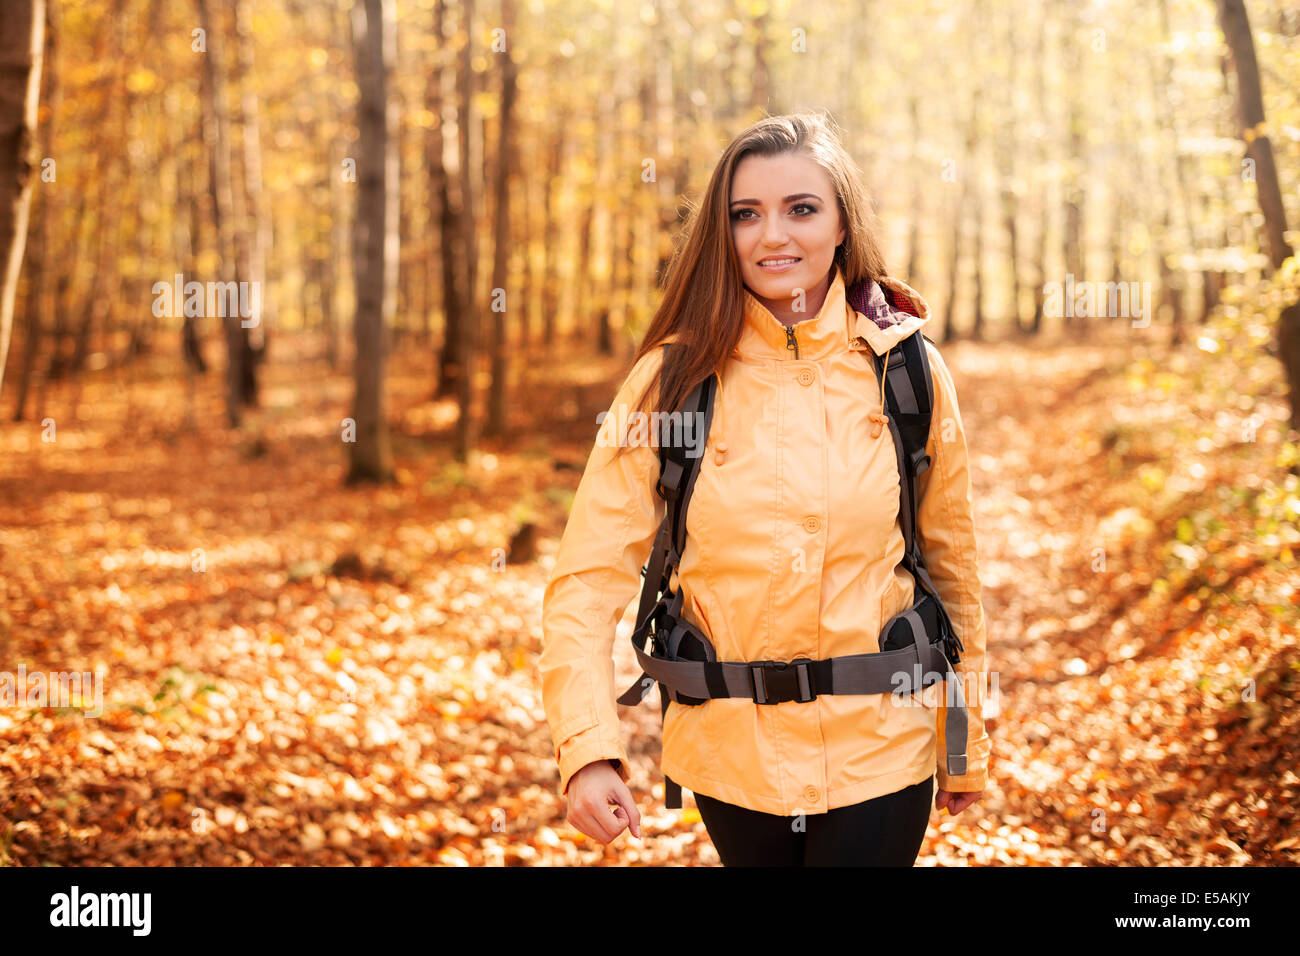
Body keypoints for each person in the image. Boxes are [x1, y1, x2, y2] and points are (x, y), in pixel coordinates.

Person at [539, 111, 990, 866]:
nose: (772, 236)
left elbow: (952, 569)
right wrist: (586, 748)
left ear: (843, 223)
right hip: (728, 755)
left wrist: (963, 736)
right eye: (746, 214)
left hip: (882, 744)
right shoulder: (671, 381)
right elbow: (585, 580)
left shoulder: (907, 371)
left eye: (801, 209)